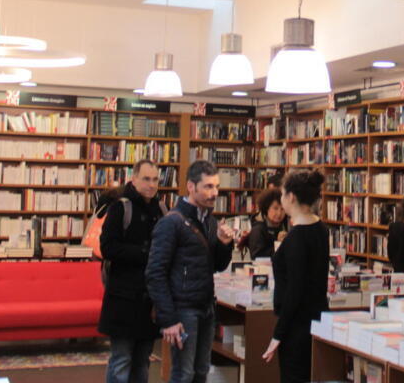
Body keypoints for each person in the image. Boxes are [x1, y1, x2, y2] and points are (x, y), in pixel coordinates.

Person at [146, 161, 237, 383]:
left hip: (206, 306)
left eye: (216, 186)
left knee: (201, 370)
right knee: (183, 374)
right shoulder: (172, 222)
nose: (214, 193)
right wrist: (168, 319)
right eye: (208, 186)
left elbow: (216, 265)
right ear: (191, 186)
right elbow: (155, 272)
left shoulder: (210, 222)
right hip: (183, 309)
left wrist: (224, 244)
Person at [99, 161, 166, 383]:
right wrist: (145, 253)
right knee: (121, 360)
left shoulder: (162, 210)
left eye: (155, 180)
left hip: (150, 300)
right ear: (134, 179)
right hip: (123, 298)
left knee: (143, 361)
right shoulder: (120, 208)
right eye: (146, 179)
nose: (151, 184)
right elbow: (107, 247)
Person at [260, 170, 329, 383]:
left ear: (291, 197)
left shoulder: (296, 239)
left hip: (296, 327)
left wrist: (277, 335)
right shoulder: (321, 229)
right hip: (319, 319)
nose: (281, 199)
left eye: (282, 194)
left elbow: (294, 291)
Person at [246, 188, 287, 260]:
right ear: (266, 208)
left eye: (282, 209)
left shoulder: (285, 226)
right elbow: (257, 257)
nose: (279, 213)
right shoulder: (258, 230)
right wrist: (278, 244)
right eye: (275, 208)